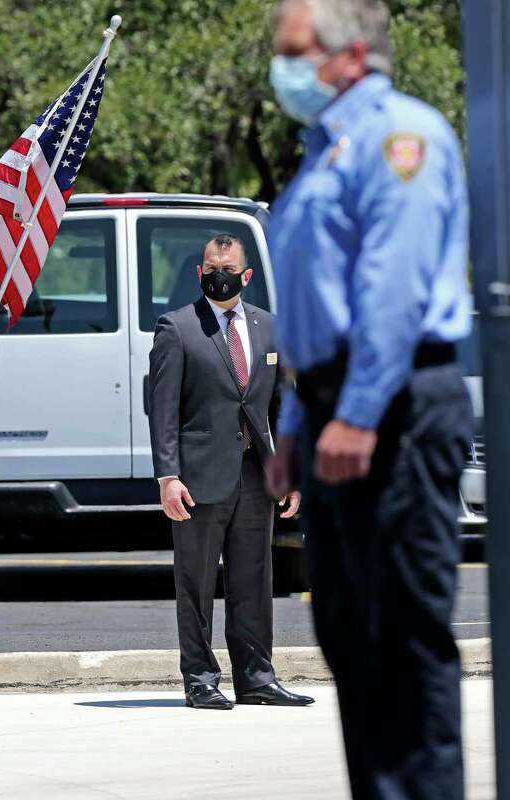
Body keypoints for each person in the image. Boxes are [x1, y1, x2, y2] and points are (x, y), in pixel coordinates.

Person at [265, 1, 474, 796]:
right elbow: (310, 307)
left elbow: (391, 290)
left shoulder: (399, 138)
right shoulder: (324, 152)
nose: (280, 70)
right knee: (350, 638)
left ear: (350, 54)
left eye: (293, 52)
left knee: (404, 640)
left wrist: (353, 412)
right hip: (332, 408)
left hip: (394, 408)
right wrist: (295, 421)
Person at [148, 234, 311, 710]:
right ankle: (199, 677)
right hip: (198, 479)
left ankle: (257, 676)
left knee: (254, 581)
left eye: (227, 267)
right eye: (209, 267)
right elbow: (163, 411)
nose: (217, 274)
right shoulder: (177, 327)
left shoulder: (268, 329)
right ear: (200, 273)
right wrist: (167, 476)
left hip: (256, 476)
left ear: (246, 275)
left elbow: (282, 407)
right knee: (195, 582)